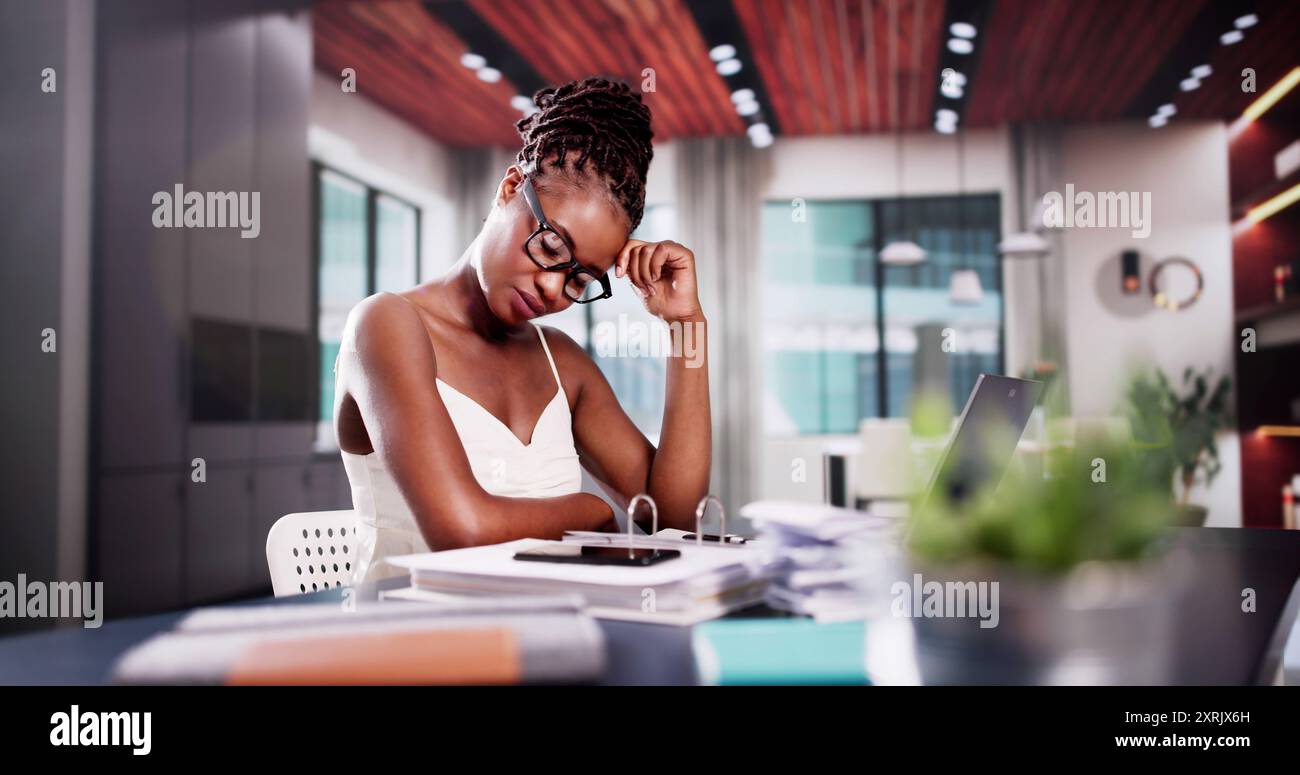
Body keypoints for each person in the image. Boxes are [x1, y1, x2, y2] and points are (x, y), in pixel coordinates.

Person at [333, 77, 712, 584]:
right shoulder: (386, 325)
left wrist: (687, 327)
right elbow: (462, 532)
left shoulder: (562, 362)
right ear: (512, 189)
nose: (556, 289)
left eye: (581, 278)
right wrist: (590, 511)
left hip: (548, 634)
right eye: (552, 248)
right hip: (414, 643)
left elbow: (674, 519)